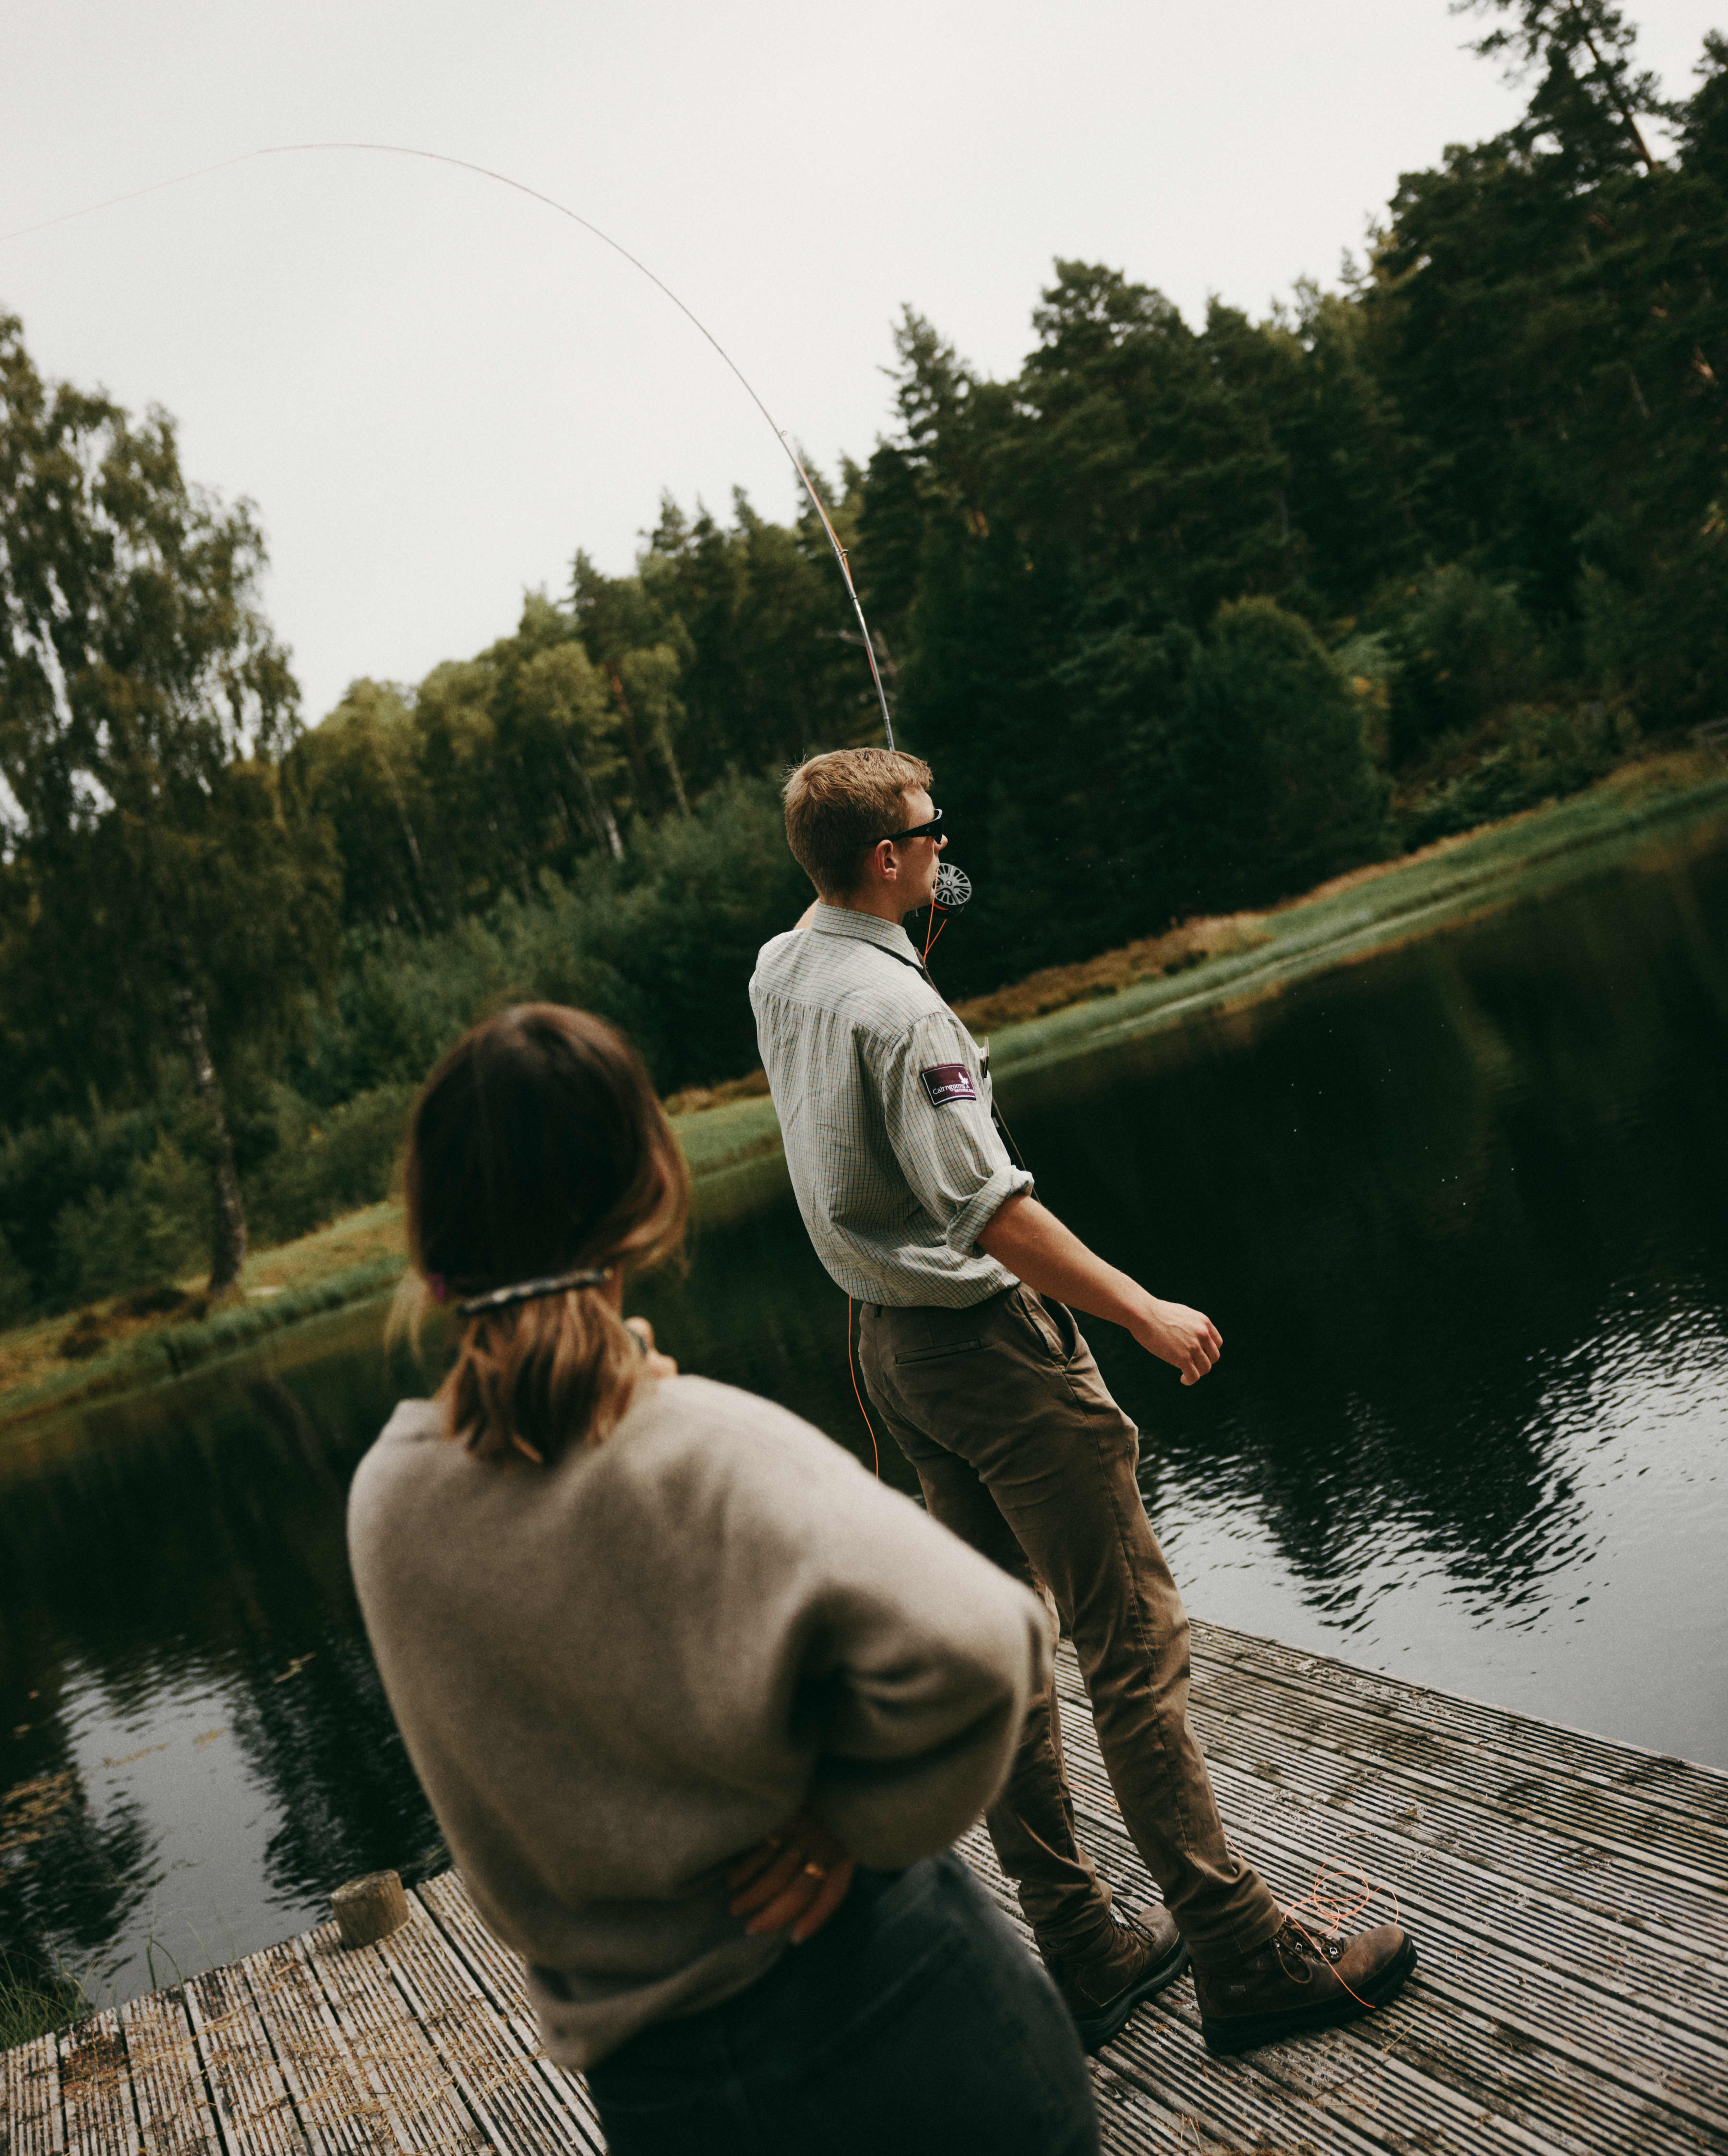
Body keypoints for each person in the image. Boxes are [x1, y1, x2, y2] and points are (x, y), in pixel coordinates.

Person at [749, 747, 1416, 2057]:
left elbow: (857, 1013)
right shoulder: (905, 1016)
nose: (946, 850)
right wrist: (1142, 1311)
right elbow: (990, 1210)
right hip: (991, 1355)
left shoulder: (785, 968)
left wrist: (898, 947)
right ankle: (1236, 1949)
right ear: (886, 860)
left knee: (996, 1653)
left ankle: (1086, 1948)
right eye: (930, 834)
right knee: (1131, 1647)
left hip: (892, 1352)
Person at [347, 1003, 1102, 2156]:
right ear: (647, 1195)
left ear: (429, 1233)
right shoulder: (700, 1444)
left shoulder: (387, 1502)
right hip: (897, 2020)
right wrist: (849, 1818)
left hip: (660, 2098)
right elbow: (991, 1636)